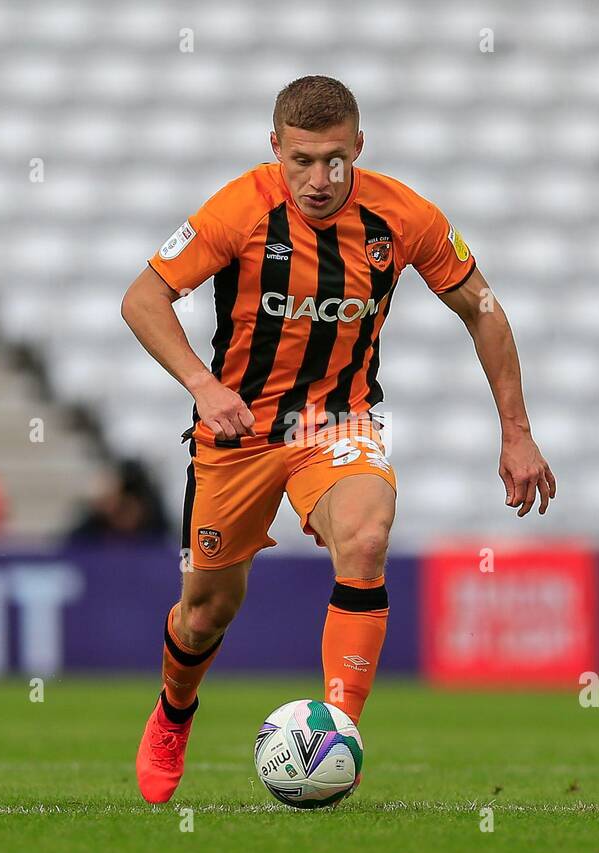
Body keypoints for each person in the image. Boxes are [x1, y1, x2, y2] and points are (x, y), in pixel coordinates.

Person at [120, 75, 555, 803]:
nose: (319, 179)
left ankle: (337, 736)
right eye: (301, 161)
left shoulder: (403, 216)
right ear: (275, 150)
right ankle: (173, 714)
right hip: (239, 434)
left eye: (334, 160)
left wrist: (517, 434)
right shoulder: (240, 209)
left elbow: (483, 308)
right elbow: (143, 299)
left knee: (365, 537)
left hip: (338, 423)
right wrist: (203, 384)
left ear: (359, 146)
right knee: (205, 613)